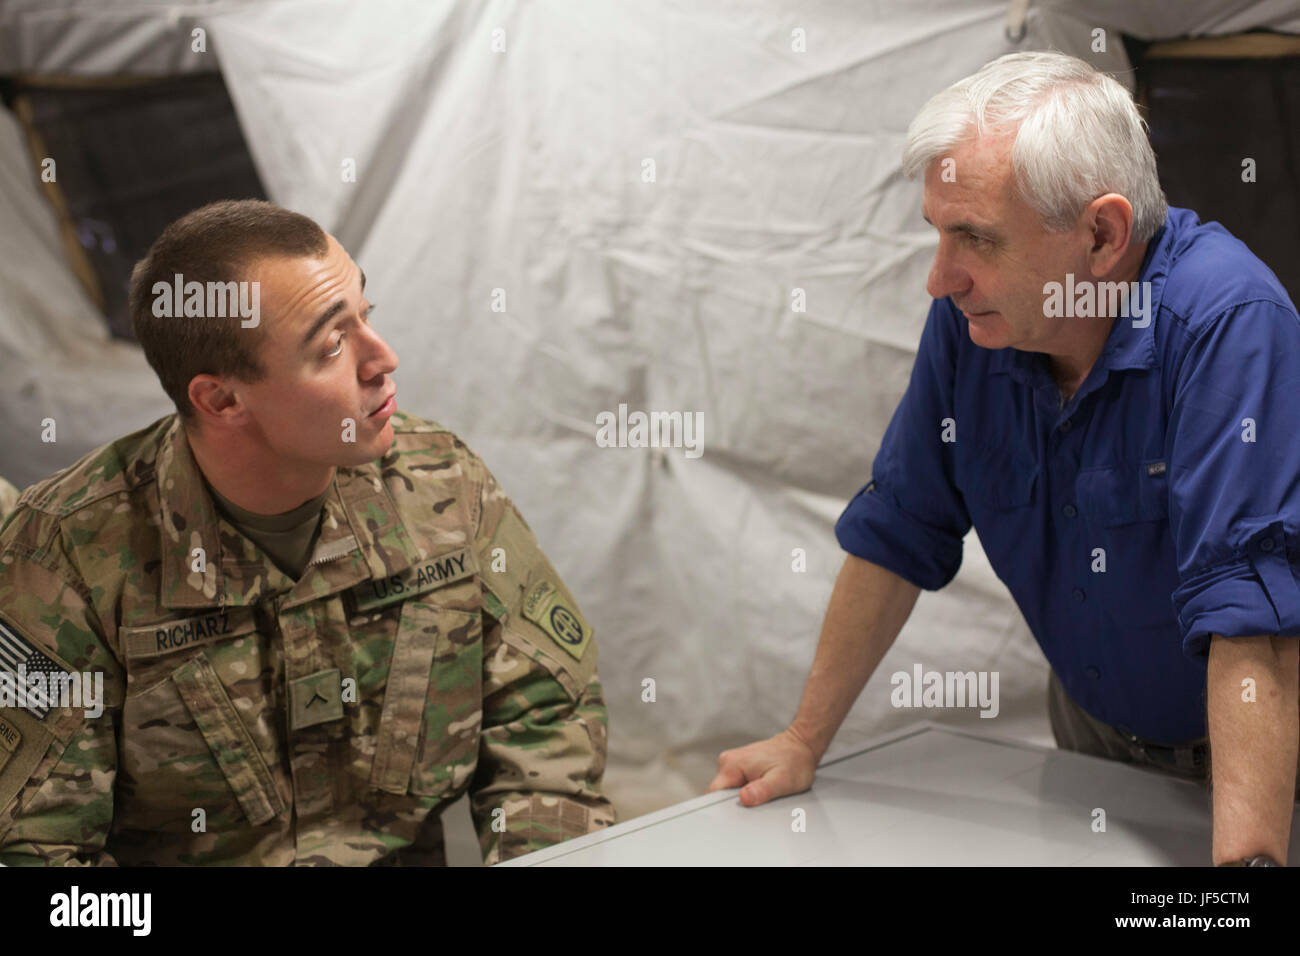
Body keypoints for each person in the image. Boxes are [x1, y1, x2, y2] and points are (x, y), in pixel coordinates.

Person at [709, 51, 1300, 867]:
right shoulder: (978, 323)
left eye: (975, 239)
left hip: (1263, 763)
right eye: (938, 234)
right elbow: (900, 527)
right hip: (1096, 746)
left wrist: (1242, 879)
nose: (939, 278)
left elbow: (1251, 626)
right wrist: (804, 739)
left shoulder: (1227, 324)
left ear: (1102, 235)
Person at [0, 199, 615, 865]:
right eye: (330, 345)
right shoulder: (64, 556)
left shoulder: (443, 486)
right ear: (222, 400)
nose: (382, 359)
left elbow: (546, 723)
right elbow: (38, 851)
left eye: (366, 317)